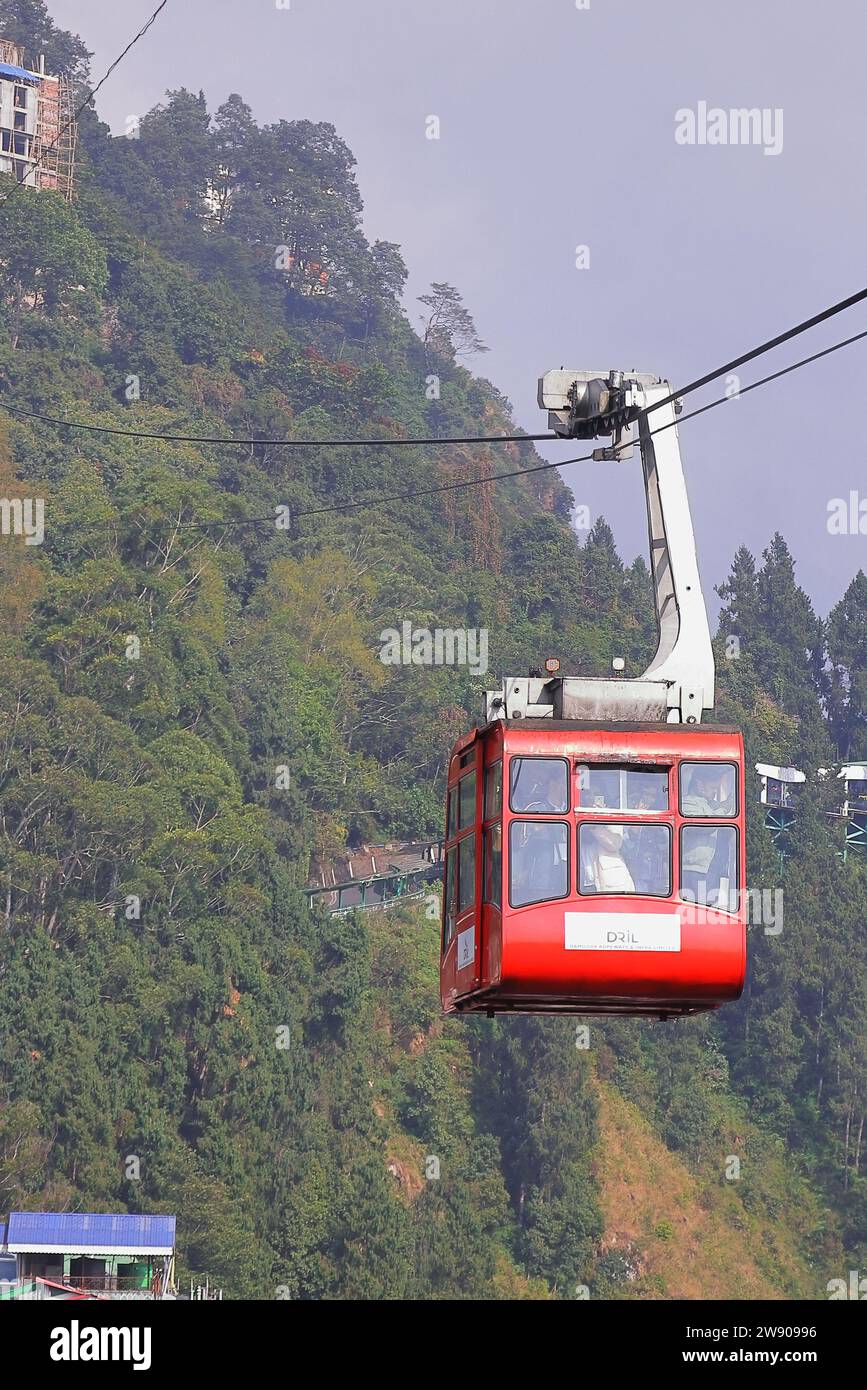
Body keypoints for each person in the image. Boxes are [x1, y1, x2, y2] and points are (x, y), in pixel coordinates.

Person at [581, 823, 635, 894]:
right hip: (581, 882)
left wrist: (593, 827)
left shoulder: (609, 817)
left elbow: (615, 843)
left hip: (609, 881)